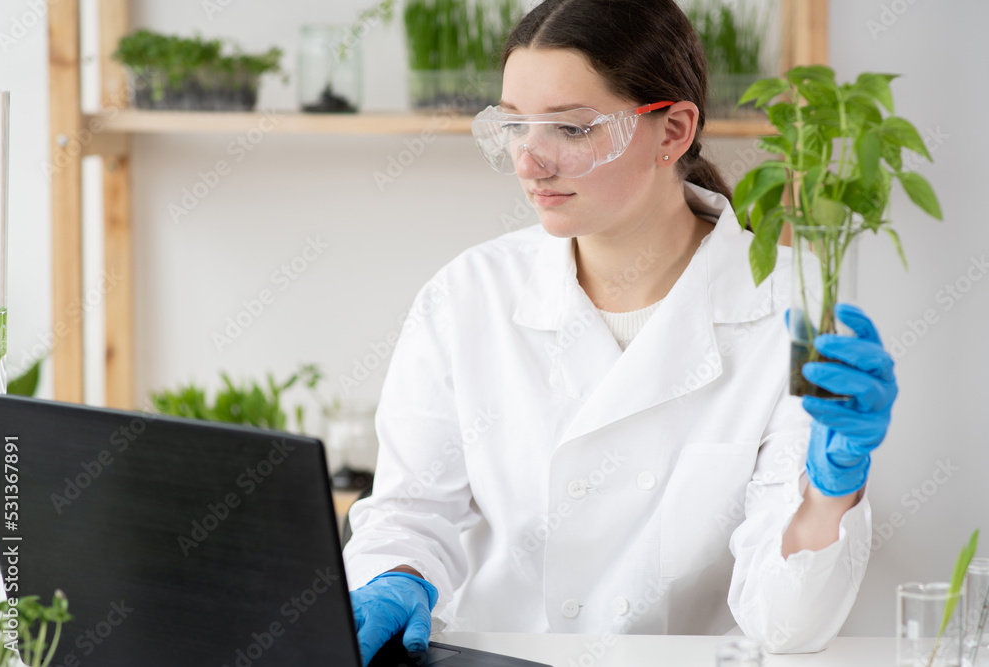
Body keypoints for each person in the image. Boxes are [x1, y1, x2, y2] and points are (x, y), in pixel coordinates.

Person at [343, 0, 897, 664]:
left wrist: (829, 493)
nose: (529, 161)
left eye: (571, 130)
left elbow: (788, 626)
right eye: (516, 125)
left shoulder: (799, 305)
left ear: (672, 132)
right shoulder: (467, 296)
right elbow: (409, 513)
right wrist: (396, 575)